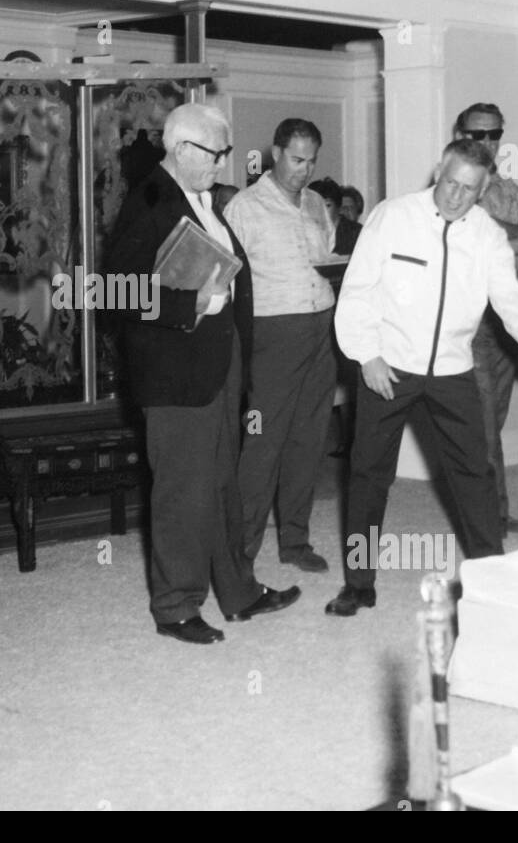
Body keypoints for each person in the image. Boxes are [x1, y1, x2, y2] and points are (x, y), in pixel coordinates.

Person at [326, 139, 518, 617]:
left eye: (468, 189)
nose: (454, 196)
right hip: (388, 365)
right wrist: (367, 356)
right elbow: (357, 290)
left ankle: (492, 578)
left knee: (475, 475)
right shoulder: (393, 216)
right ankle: (358, 584)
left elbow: (508, 297)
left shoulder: (487, 235)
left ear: (483, 190)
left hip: (452, 370)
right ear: (437, 173)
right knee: (367, 475)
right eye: (450, 183)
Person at [103, 103, 300, 645]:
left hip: (217, 359)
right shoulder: (149, 199)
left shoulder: (204, 197)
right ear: (181, 149)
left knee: (221, 483)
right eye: (215, 154)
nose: (221, 164)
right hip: (175, 370)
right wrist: (193, 302)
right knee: (183, 491)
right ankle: (175, 606)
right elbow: (115, 291)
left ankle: (238, 592)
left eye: (224, 153)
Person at [223, 118, 337, 572]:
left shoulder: (316, 203)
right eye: (296, 159)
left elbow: (324, 256)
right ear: (275, 154)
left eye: (311, 161)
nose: (303, 170)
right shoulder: (245, 207)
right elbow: (227, 278)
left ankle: (295, 542)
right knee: (262, 442)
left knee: (309, 439)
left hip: (321, 327)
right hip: (273, 332)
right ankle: (240, 554)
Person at [454, 103, 518, 532]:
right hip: (470, 322)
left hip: (506, 320)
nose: (487, 142)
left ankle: (491, 510)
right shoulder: (453, 188)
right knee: (484, 426)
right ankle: (491, 517)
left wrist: (495, 232)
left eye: (494, 134)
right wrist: (511, 233)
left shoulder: (508, 190)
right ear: (462, 135)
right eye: (479, 134)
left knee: (496, 417)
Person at [309, 178, 361, 256]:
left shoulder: (356, 234)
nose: (320, 211)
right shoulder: (304, 232)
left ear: (339, 207)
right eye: (314, 206)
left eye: (327, 205)